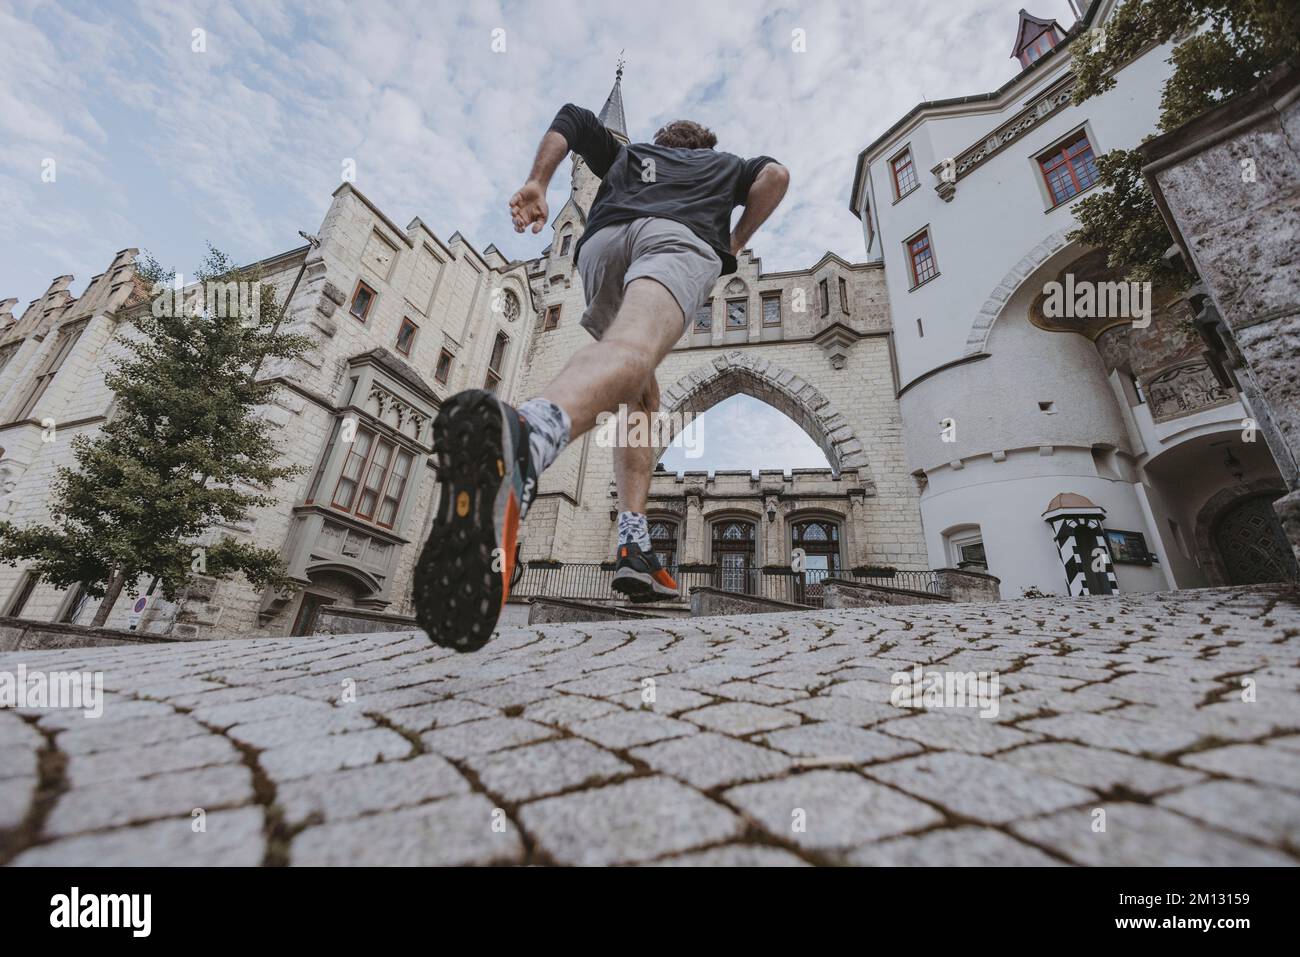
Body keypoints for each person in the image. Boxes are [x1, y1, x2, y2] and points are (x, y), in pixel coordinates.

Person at [413, 103, 790, 652]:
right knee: (633, 353)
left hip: (601, 247)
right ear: (702, 148)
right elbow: (775, 176)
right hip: (675, 242)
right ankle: (525, 437)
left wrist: (538, 182)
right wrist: (733, 244)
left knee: (641, 391)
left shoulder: (630, 157)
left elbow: (573, 118)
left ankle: (633, 542)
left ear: (662, 141)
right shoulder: (723, 165)